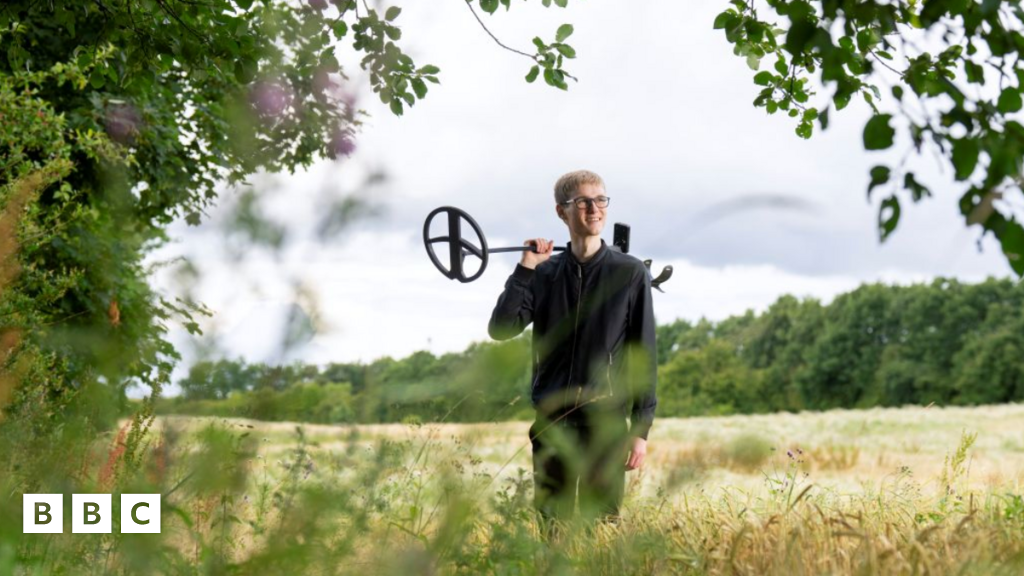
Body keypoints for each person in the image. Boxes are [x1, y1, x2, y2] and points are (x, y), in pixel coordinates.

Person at [487, 169, 657, 539]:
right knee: (553, 530)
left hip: (607, 426)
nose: (594, 209)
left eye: (600, 200)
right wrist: (524, 270)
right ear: (562, 211)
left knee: (602, 529)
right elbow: (502, 328)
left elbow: (643, 351)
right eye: (582, 201)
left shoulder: (629, 273)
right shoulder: (543, 273)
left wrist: (641, 429)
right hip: (551, 424)